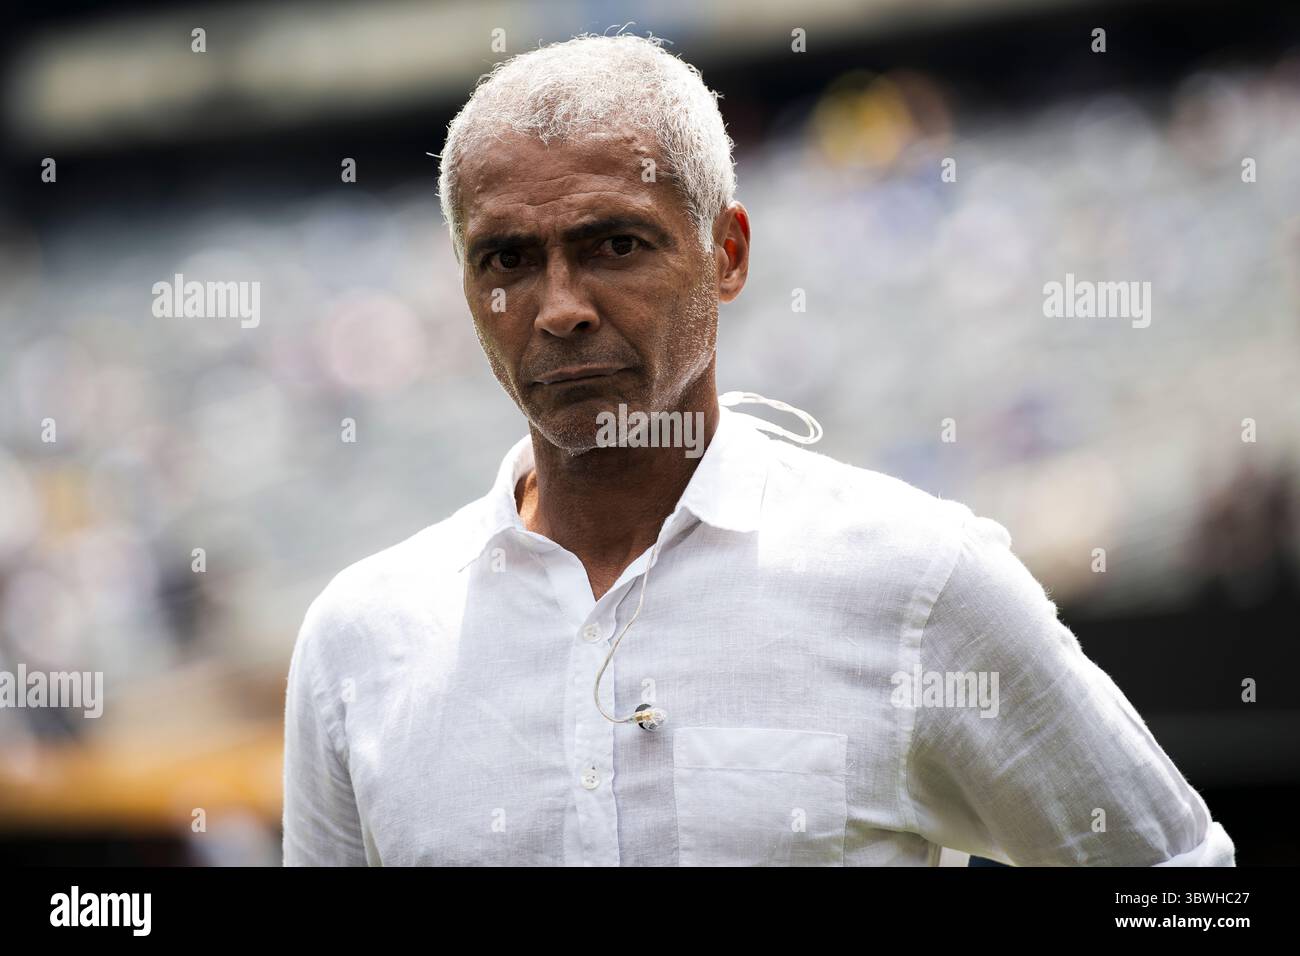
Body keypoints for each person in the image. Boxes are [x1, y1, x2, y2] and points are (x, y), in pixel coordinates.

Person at [282, 32, 1235, 866]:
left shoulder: (916, 581)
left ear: (727, 253)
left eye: (615, 244)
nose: (560, 307)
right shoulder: (360, 639)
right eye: (508, 260)